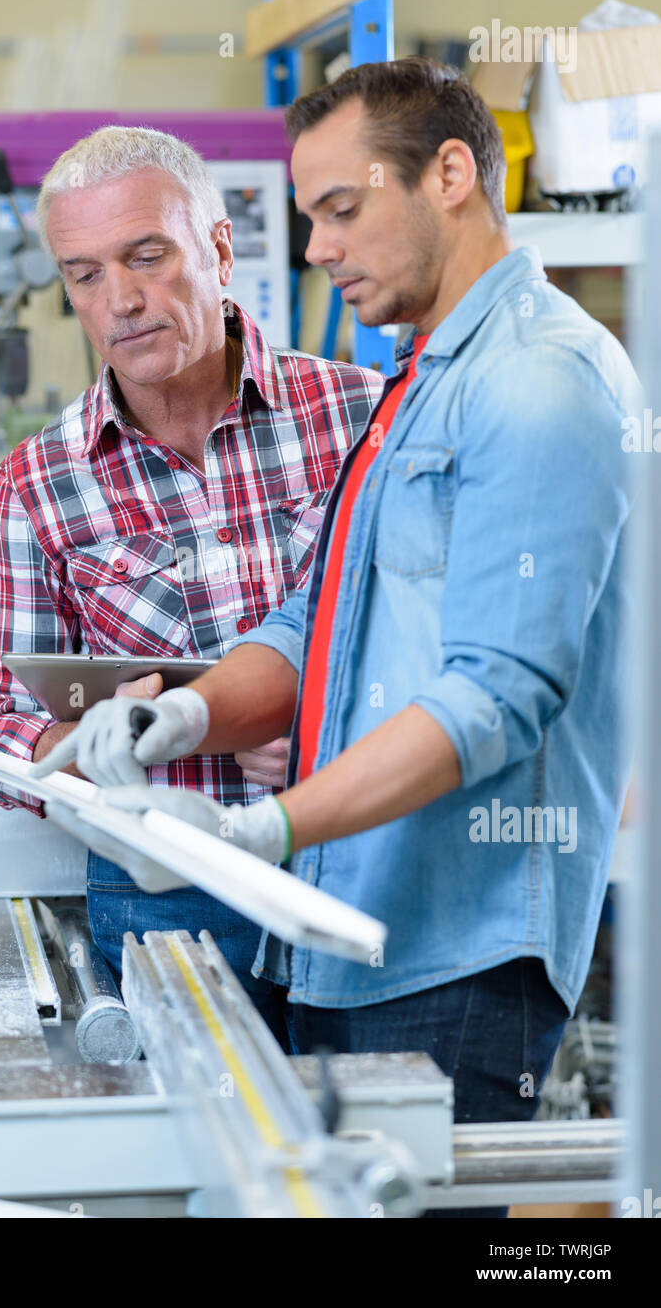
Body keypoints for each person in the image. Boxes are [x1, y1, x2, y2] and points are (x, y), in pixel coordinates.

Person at [48, 59, 642, 1217]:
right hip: (347, 931)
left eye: (341, 208)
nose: (316, 248)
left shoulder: (537, 384)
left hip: (455, 946)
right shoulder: (418, 383)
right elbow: (308, 621)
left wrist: (254, 827)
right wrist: (187, 712)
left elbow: (494, 698)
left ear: (452, 176)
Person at [0, 125, 381, 1023]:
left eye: (146, 256)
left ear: (219, 249)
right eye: (85, 275)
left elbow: (439, 638)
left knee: (385, 1127)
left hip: (368, 859)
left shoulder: (360, 418)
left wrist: (327, 723)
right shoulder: (31, 490)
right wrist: (82, 756)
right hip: (168, 895)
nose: (120, 300)